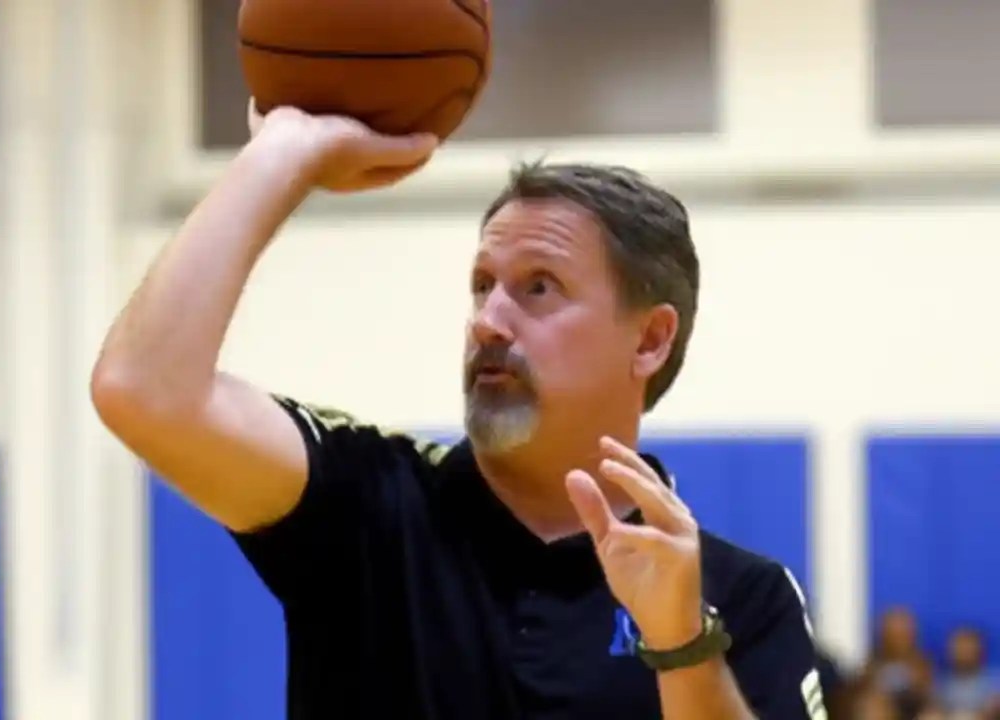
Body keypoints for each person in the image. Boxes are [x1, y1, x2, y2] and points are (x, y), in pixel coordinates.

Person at [91, 101, 826, 719]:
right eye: (482, 285)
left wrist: (681, 644)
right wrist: (284, 153)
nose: (488, 321)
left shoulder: (739, 597)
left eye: (538, 287)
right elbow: (142, 388)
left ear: (650, 340)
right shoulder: (367, 501)